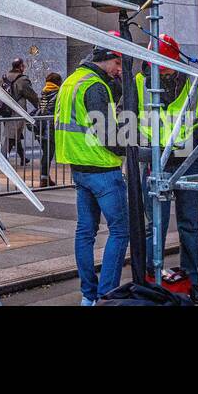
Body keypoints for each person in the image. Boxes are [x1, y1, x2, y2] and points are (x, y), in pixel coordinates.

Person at [134, 35, 198, 305]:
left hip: (188, 158)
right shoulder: (139, 82)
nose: (162, 72)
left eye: (166, 67)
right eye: (158, 67)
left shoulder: (196, 82)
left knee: (188, 226)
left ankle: (191, 282)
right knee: (153, 227)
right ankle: (150, 281)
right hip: (155, 158)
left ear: (176, 61)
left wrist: (191, 144)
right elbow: (121, 114)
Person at [54, 43, 128, 305]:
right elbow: (107, 133)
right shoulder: (95, 86)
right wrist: (131, 147)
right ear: (105, 59)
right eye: (117, 64)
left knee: (85, 232)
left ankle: (88, 296)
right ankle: (106, 295)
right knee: (120, 230)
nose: (119, 69)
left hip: (79, 168)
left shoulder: (73, 80)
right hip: (102, 168)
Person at [0, 57, 39, 165]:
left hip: (5, 111)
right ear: (20, 67)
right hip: (17, 112)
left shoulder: (3, 78)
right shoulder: (22, 80)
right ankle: (2, 161)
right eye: (23, 65)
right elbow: (31, 95)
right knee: (11, 136)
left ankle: (23, 157)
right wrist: (39, 106)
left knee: (15, 134)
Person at [37, 71, 64, 187]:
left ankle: (46, 177)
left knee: (47, 153)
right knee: (48, 153)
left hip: (41, 127)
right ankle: (44, 178)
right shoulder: (58, 93)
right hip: (50, 128)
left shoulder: (44, 92)